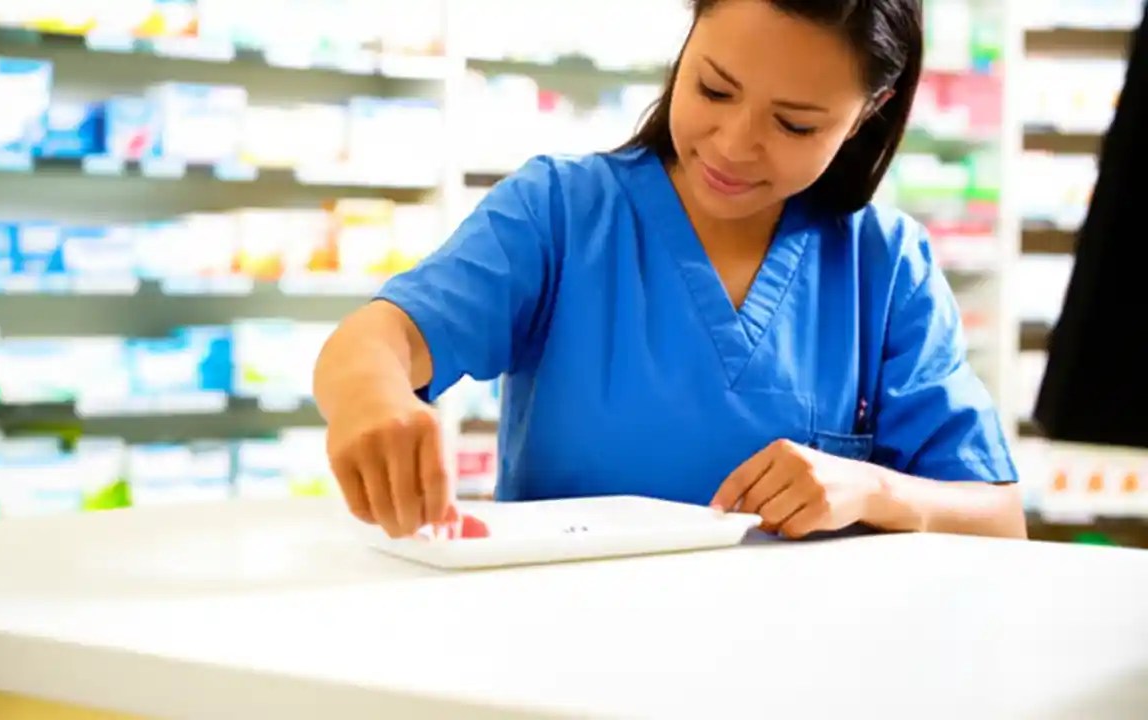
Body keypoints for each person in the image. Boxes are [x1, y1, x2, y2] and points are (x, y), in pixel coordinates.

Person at [313, 0, 1027, 541]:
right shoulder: (560, 214)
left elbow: (999, 518)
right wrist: (371, 398)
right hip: (557, 664)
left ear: (869, 112)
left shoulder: (883, 266)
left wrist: (873, 491)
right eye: (715, 90)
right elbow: (377, 340)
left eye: (794, 125)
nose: (734, 145)